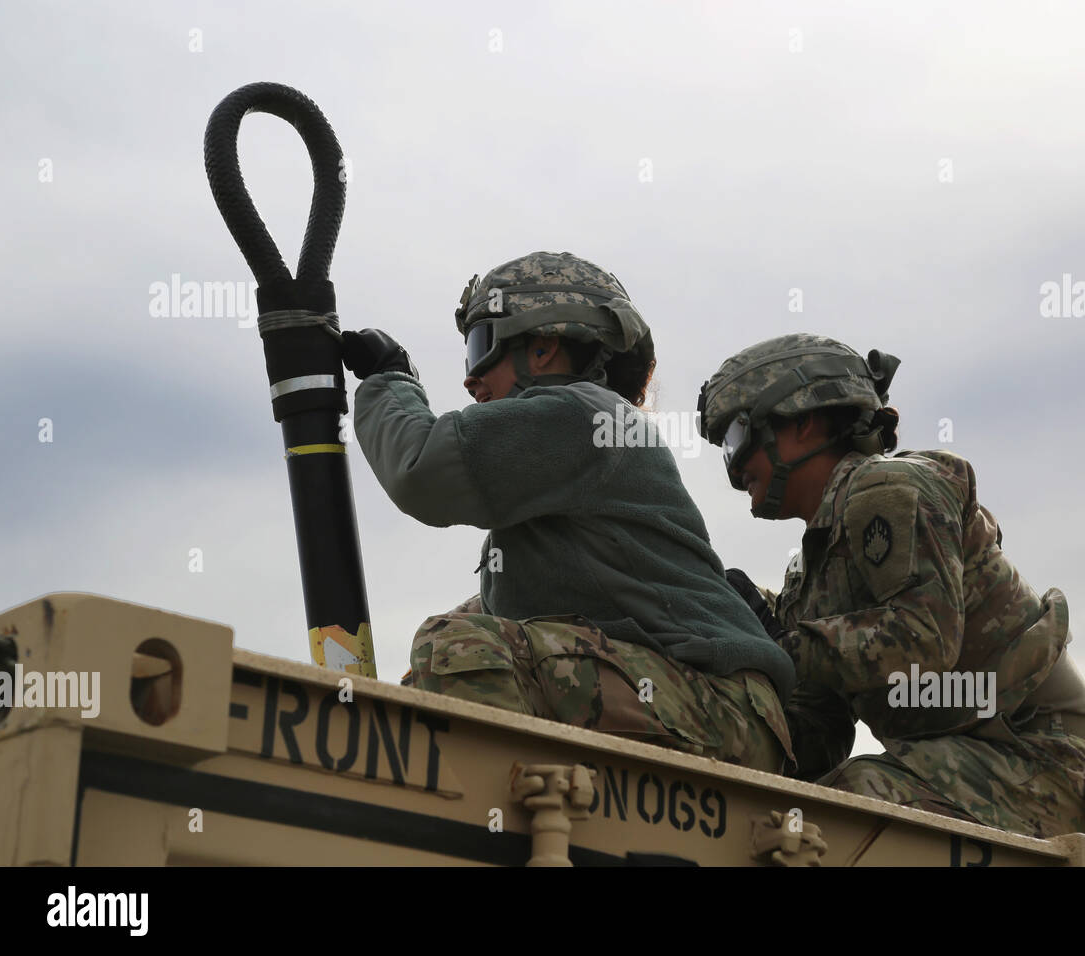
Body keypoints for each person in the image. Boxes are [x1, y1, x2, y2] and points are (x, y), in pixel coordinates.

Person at [339, 251, 795, 772]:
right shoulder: (573, 447)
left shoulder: (584, 413)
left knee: (456, 648)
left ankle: (494, 826)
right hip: (697, 703)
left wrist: (389, 380)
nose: (470, 380)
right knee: (442, 659)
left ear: (542, 347)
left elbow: (420, 470)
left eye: (481, 347)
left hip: (722, 706)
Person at [697, 333, 1085, 840]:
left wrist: (784, 643)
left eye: (737, 438)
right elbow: (817, 737)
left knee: (840, 809)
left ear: (802, 420)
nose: (734, 466)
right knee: (783, 815)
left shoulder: (890, 490)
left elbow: (922, 640)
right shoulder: (812, 577)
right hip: (963, 767)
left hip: (1046, 765)